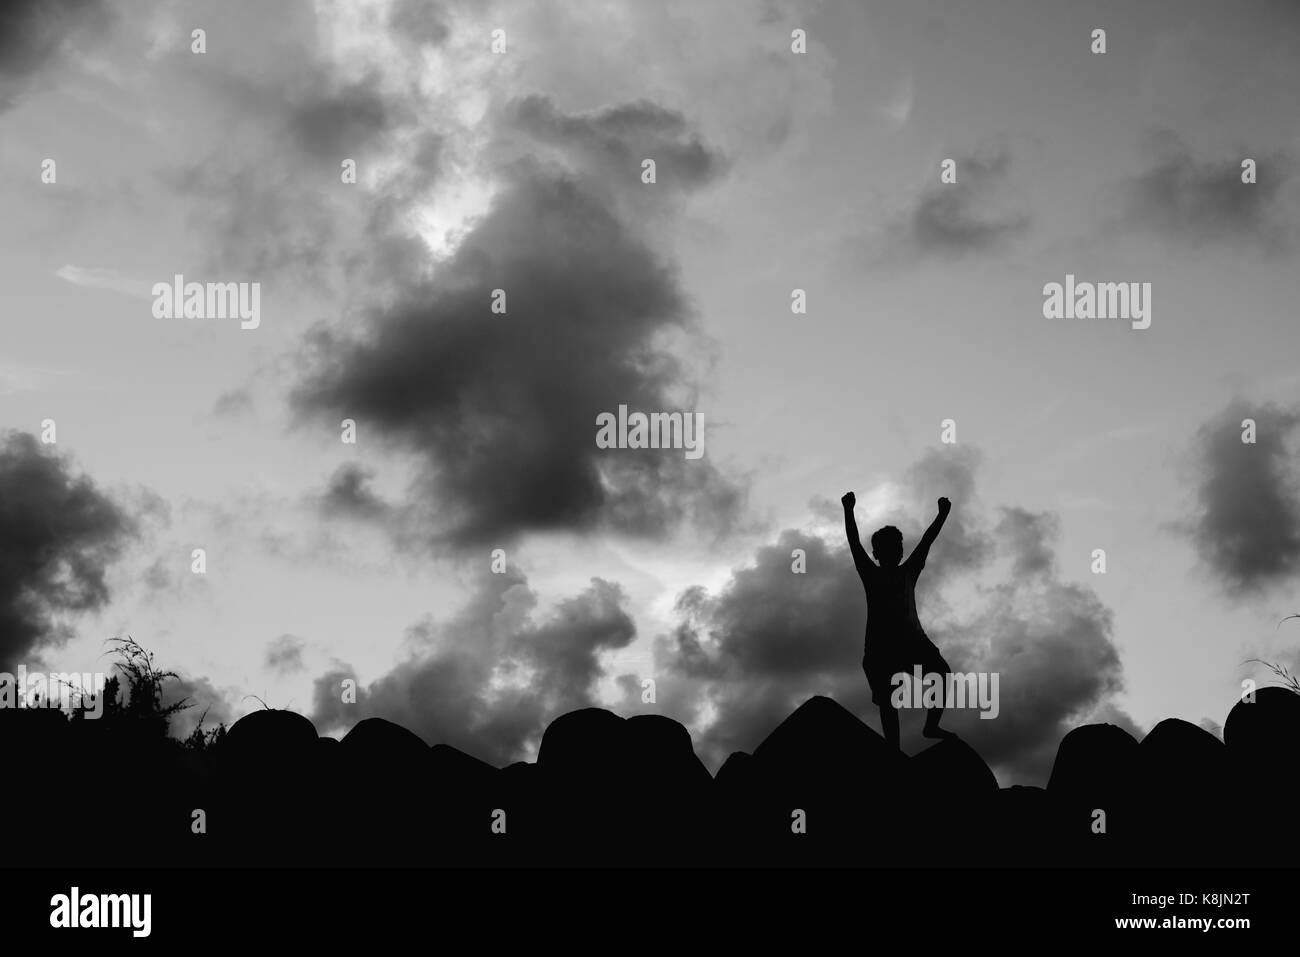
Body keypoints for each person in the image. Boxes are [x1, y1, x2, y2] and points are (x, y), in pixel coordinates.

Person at [842, 491, 956, 749]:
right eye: (891, 548)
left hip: (913, 642)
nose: (897, 551)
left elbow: (927, 541)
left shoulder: (909, 571)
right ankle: (893, 748)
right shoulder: (870, 574)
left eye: (899, 547)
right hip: (881, 648)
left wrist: (942, 516)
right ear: (878, 554)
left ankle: (931, 725)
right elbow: (854, 543)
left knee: (941, 672)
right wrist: (848, 510)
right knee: (887, 701)